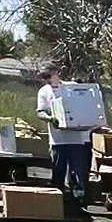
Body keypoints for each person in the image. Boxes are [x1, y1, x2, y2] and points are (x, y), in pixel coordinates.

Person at [36, 65, 93, 207]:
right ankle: (57, 203)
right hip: (57, 140)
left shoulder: (72, 87)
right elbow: (40, 111)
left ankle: (77, 203)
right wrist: (50, 118)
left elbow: (84, 104)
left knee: (78, 172)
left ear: (57, 73)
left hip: (76, 139)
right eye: (44, 78)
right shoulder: (44, 91)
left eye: (49, 76)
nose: (48, 80)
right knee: (58, 172)